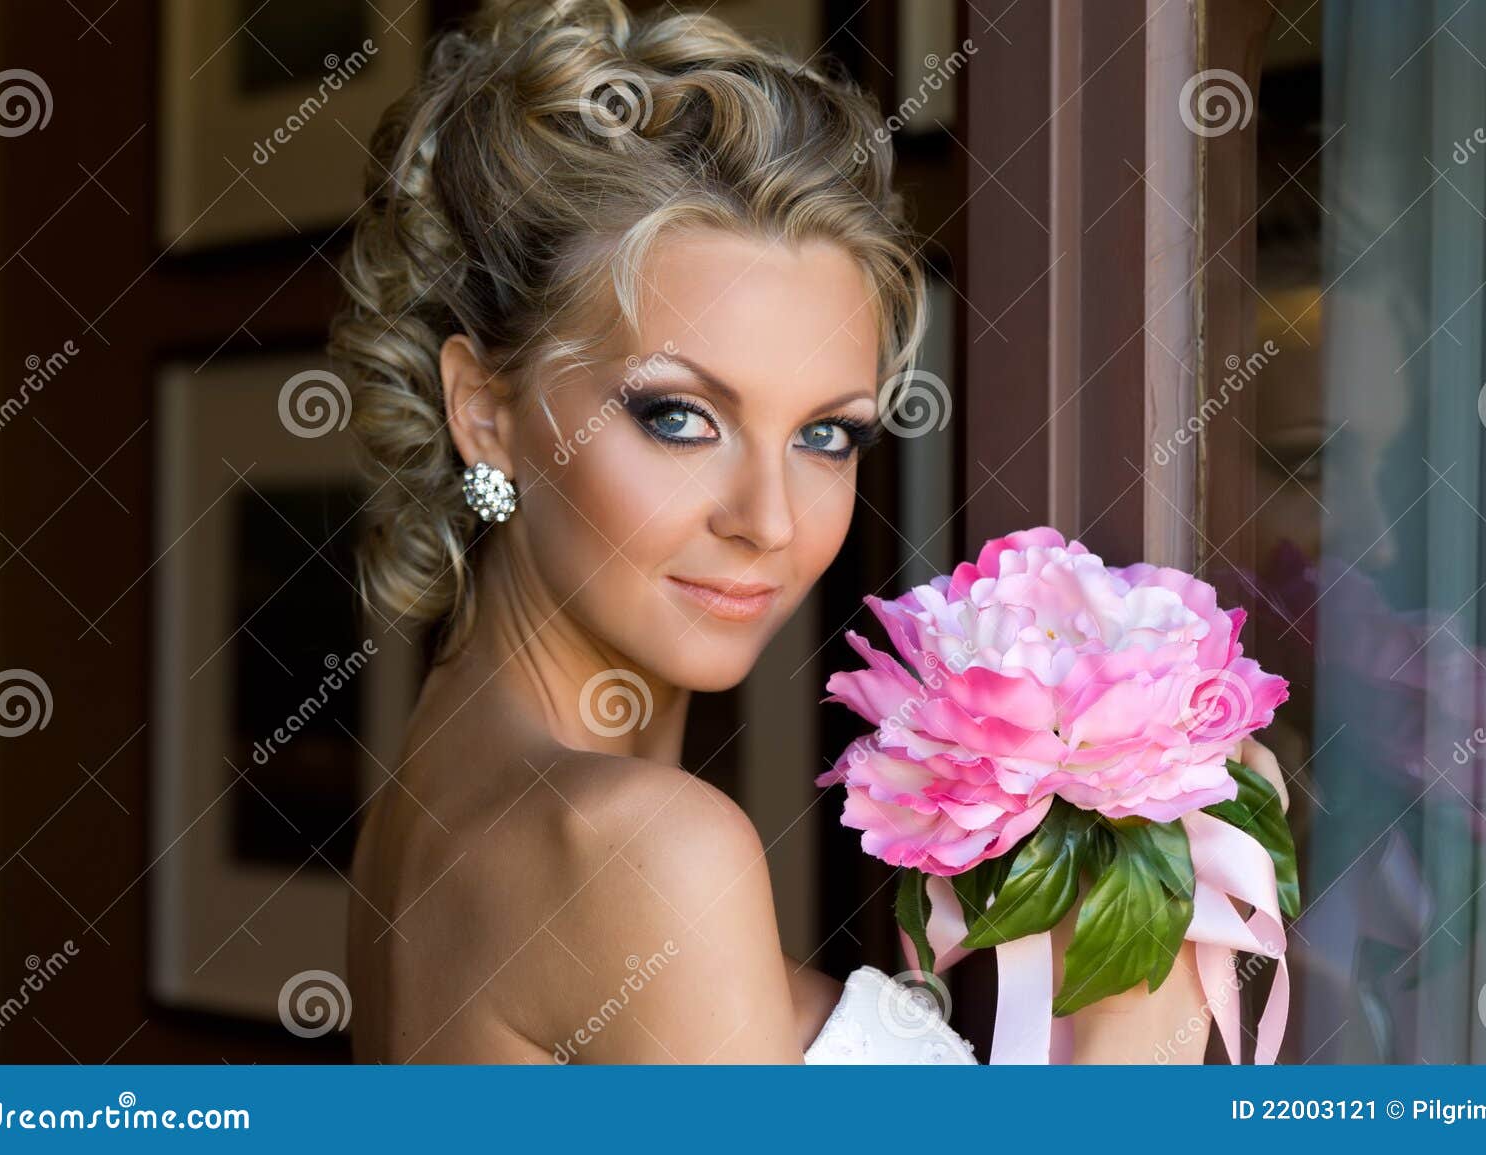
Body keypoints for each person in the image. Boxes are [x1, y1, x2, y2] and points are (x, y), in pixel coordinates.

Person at [337, 0, 1287, 1064]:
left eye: (826, 436)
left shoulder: (436, 795)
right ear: (484, 411)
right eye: (678, 419)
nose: (769, 522)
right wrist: (1136, 990)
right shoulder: (639, 850)